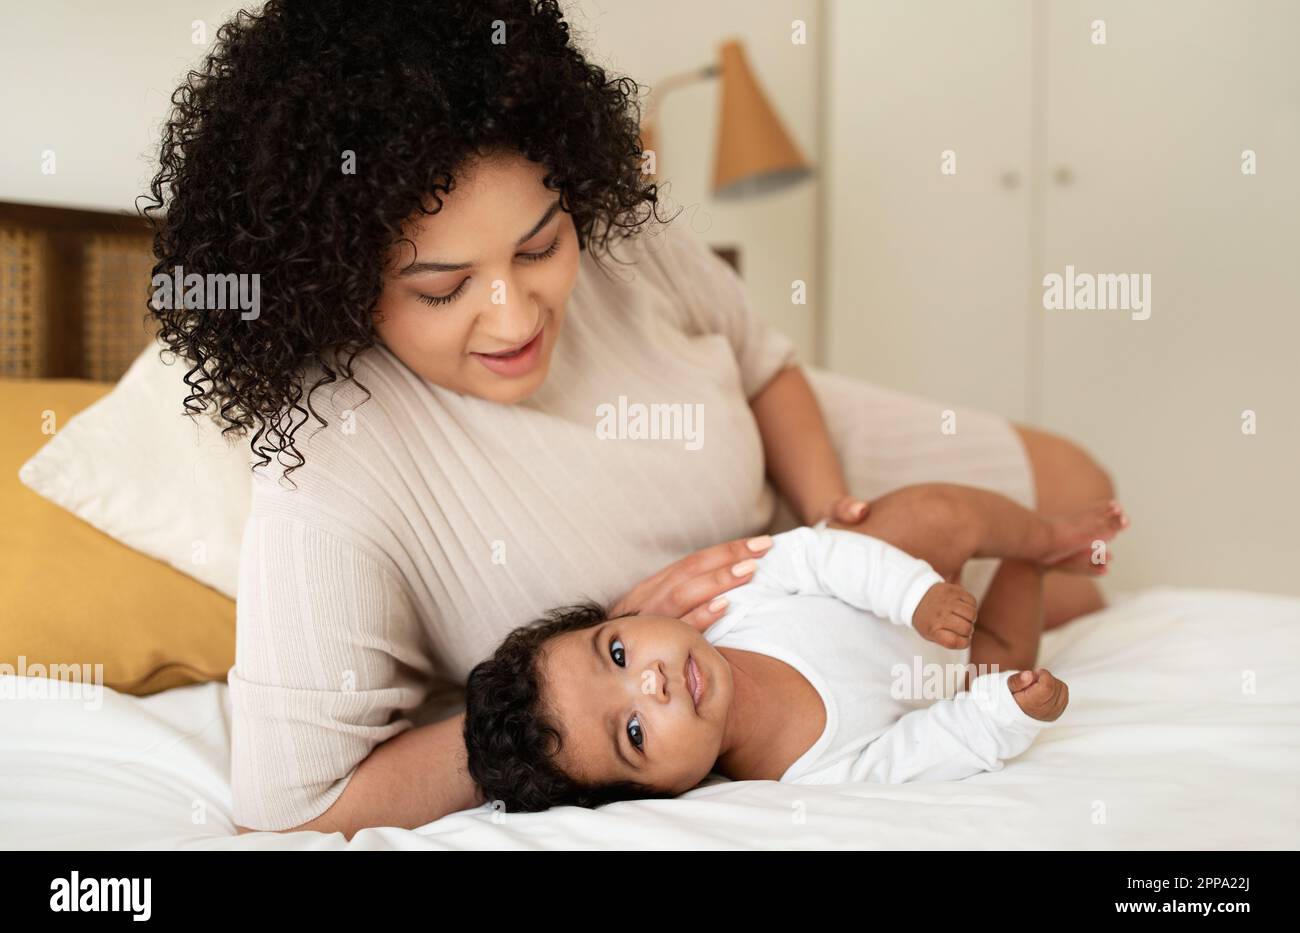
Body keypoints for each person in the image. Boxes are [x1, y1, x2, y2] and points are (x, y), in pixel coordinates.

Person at [145, 0, 1116, 838]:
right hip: (747, 623)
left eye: (540, 247)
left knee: (1080, 491)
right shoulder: (332, 465)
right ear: (341, 286)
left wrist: (831, 513)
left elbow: (762, 363)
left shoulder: (624, 236)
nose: (515, 315)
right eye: (443, 289)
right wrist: (548, 713)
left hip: (774, 488)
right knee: (1037, 598)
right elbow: (289, 812)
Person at [463, 484, 1126, 811]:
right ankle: (1037, 569)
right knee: (1006, 660)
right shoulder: (807, 776)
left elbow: (816, 557)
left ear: (627, 613)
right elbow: (917, 752)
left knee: (936, 513)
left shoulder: (729, 606)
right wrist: (1003, 712)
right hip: (954, 668)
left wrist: (915, 596)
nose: (653, 682)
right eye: (634, 731)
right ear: (660, 791)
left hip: (900, 582)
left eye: (616, 653)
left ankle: (1040, 536)